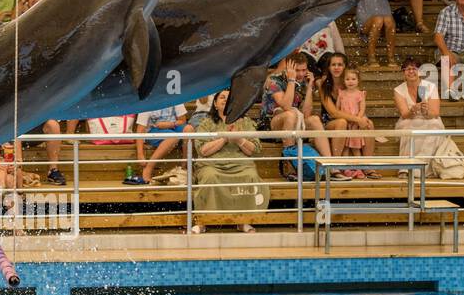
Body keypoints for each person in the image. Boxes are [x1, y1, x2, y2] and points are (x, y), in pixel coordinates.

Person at [189, 89, 269, 234]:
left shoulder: (245, 122)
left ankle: (243, 221)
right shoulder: (206, 123)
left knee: (250, 176)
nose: (226, 100)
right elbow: (203, 150)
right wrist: (225, 138)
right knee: (209, 177)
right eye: (222, 97)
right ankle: (202, 221)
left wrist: (238, 139)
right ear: (215, 103)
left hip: (240, 165)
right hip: (212, 166)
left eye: (229, 97)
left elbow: (254, 149)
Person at [258, 53, 336, 171]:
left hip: (295, 124)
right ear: (288, 68)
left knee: (314, 119)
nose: (300, 74)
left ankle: (330, 165)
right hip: (270, 124)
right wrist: (291, 80)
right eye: (297, 70)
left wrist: (310, 87)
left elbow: (306, 114)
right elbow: (286, 106)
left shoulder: (304, 82)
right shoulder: (274, 81)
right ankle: (291, 167)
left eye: (304, 70)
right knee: (290, 115)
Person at [392, 58, 449, 174]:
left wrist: (426, 111)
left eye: (414, 68)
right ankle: (406, 167)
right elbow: (404, 114)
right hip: (409, 118)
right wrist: (412, 110)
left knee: (434, 125)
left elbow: (435, 113)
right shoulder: (398, 90)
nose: (411, 71)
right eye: (408, 69)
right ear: (403, 72)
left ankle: (421, 169)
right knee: (410, 127)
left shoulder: (430, 86)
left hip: (429, 117)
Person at [125, 103, 189, 186]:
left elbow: (183, 120)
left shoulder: (174, 95)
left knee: (189, 129)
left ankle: (184, 166)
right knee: (173, 137)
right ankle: (149, 168)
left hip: (173, 126)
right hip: (154, 130)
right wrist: (140, 154)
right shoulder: (148, 101)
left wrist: (171, 124)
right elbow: (140, 130)